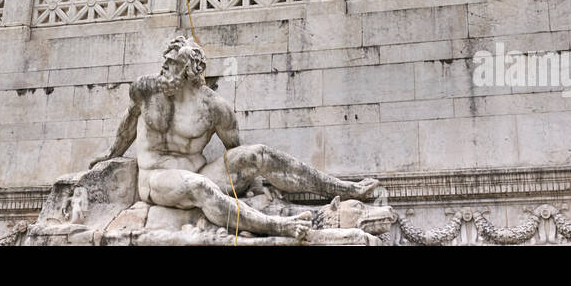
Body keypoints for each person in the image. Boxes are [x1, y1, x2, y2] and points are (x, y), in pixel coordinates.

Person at [91, 36, 380, 239]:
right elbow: (128, 124)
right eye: (165, 62)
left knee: (259, 155)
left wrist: (252, 183)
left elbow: (234, 151)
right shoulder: (145, 90)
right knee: (200, 185)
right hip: (155, 180)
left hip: (200, 173)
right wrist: (109, 154)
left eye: (173, 64)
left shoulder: (215, 108)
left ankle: (345, 188)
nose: (165, 68)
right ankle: (278, 226)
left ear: (192, 70)